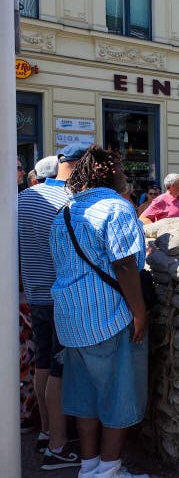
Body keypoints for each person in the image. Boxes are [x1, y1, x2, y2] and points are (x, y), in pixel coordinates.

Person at [49, 145, 148, 478]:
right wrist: (139, 312)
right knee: (118, 395)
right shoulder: (116, 208)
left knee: (85, 397)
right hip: (109, 317)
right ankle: (108, 470)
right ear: (107, 173)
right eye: (120, 168)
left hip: (71, 320)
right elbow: (123, 264)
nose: (124, 175)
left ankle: (89, 466)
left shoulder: (65, 212)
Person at [18, 144, 86, 470]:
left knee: (43, 361)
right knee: (59, 367)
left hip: (35, 292)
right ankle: (58, 444)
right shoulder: (66, 202)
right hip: (61, 295)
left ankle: (47, 430)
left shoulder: (22, 199)